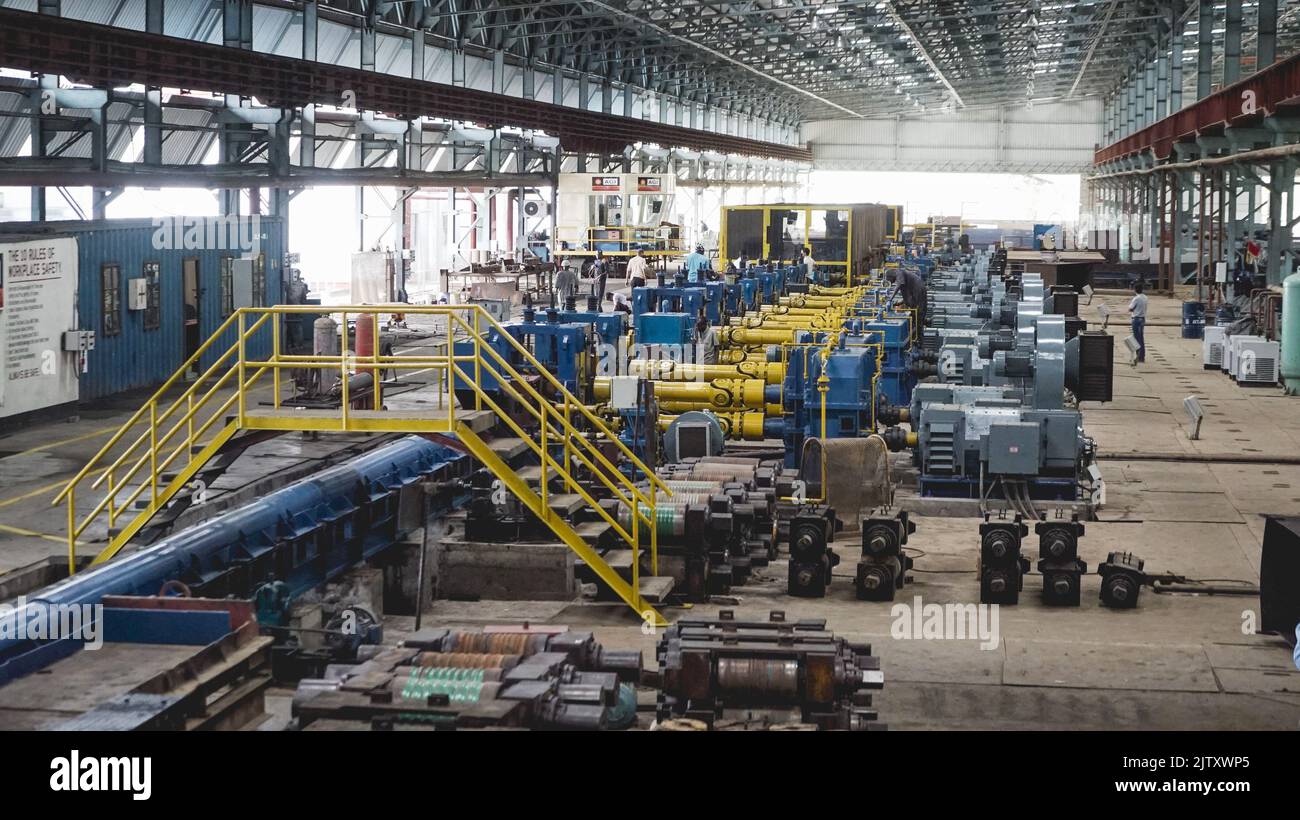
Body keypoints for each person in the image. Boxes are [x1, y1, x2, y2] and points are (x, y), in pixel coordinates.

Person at [892, 267, 927, 332]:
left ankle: (920, 327)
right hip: (918, 291)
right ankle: (918, 325)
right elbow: (907, 298)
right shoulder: (905, 282)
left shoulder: (899, 272)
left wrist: (890, 298)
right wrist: (898, 303)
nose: (893, 283)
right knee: (916, 312)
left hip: (918, 291)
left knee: (918, 312)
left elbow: (899, 285)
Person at [1128, 280, 1148, 364]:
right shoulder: (1145, 297)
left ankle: (1138, 356)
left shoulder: (1136, 298)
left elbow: (1130, 308)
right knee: (1141, 338)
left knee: (1136, 338)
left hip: (1136, 319)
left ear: (1135, 289)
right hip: (1142, 319)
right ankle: (1142, 356)